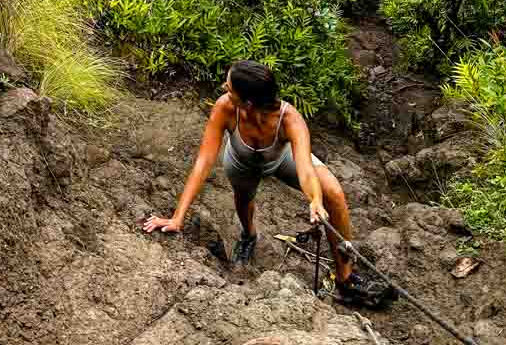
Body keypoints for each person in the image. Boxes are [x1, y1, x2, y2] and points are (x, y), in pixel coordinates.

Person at [143, 59, 379, 304]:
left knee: (334, 193)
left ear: (248, 102)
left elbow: (306, 169)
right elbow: (204, 162)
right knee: (244, 201)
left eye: (229, 88)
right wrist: (178, 217)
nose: (224, 88)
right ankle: (249, 235)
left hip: (281, 158)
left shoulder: (290, 119)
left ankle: (345, 277)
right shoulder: (225, 107)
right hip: (240, 161)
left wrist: (316, 200)